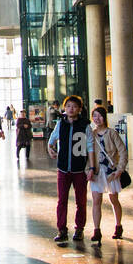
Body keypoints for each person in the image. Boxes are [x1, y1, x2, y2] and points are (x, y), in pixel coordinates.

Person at [48, 95, 90, 243]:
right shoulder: (61, 124)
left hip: (80, 169)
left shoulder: (85, 125)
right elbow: (52, 140)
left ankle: (79, 229)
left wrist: (91, 167)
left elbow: (90, 147)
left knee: (81, 201)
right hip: (63, 168)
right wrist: (51, 149)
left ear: (79, 109)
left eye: (74, 106)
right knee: (62, 200)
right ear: (64, 109)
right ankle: (62, 229)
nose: (71, 109)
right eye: (68, 106)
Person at [85, 105, 128, 243]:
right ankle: (97, 230)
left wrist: (120, 169)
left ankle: (118, 226)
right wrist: (88, 170)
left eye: (100, 115)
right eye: (95, 116)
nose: (97, 119)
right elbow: (87, 154)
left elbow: (122, 151)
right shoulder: (91, 134)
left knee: (114, 200)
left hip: (111, 172)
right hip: (97, 172)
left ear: (104, 117)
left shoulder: (112, 133)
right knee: (96, 201)